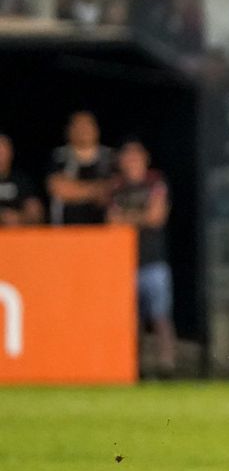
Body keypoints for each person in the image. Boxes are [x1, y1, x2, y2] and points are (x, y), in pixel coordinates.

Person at [109, 139, 176, 371]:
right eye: (127, 157)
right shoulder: (116, 186)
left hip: (153, 261)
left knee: (160, 317)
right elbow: (112, 221)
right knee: (130, 319)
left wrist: (128, 218)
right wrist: (142, 216)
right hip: (124, 263)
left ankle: (167, 365)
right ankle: (133, 366)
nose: (132, 162)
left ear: (145, 159)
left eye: (136, 157)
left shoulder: (155, 182)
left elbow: (156, 217)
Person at [46, 111, 116, 225]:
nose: (83, 130)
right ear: (69, 131)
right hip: (66, 230)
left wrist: (77, 190)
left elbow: (116, 188)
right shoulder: (60, 156)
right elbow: (59, 188)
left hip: (104, 231)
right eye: (78, 125)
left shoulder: (111, 157)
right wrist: (96, 190)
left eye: (87, 125)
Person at [0, 134, 43, 226]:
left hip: (17, 235)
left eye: (2, 151)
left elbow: (35, 212)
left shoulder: (21, 180)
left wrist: (21, 218)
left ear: (11, 153)